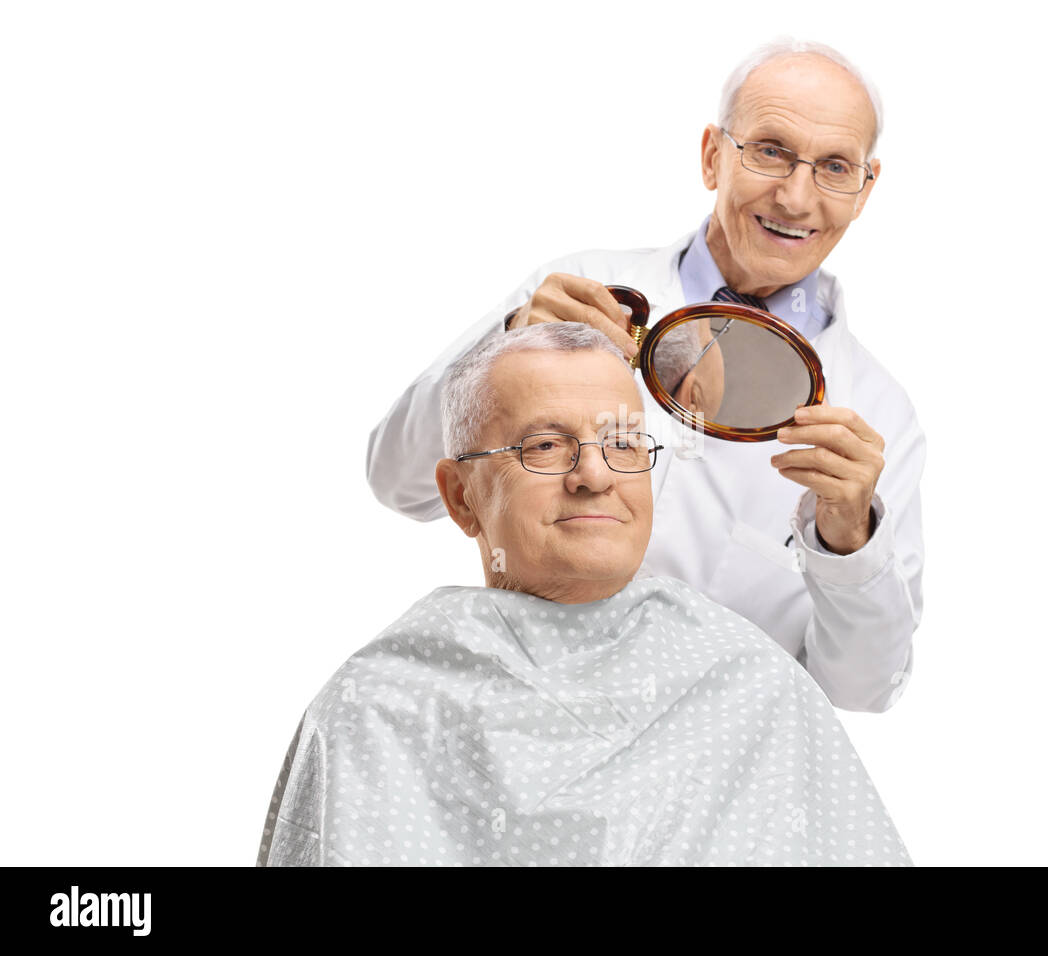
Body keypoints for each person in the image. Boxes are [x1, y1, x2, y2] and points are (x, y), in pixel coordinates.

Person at [365, 37, 926, 714]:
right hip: (522, 725)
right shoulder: (579, 289)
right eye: (771, 150)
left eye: (835, 166)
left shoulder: (877, 414)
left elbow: (861, 689)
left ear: (865, 190)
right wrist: (507, 347)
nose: (797, 196)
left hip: (710, 787)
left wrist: (849, 538)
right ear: (713, 156)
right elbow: (398, 481)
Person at [258, 324, 912, 866]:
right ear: (460, 497)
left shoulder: (751, 687)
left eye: (623, 443)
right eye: (545, 446)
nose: (595, 474)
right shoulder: (378, 706)